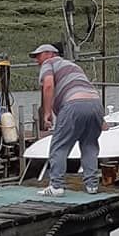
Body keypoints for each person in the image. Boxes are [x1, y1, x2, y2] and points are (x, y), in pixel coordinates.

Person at [30, 43, 104, 196]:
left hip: (73, 104)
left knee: (59, 146)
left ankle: (56, 186)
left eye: (38, 55)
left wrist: (47, 112)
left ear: (50, 54)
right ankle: (92, 185)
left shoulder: (48, 64)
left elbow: (49, 86)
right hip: (95, 104)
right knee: (89, 144)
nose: (36, 60)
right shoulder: (73, 66)